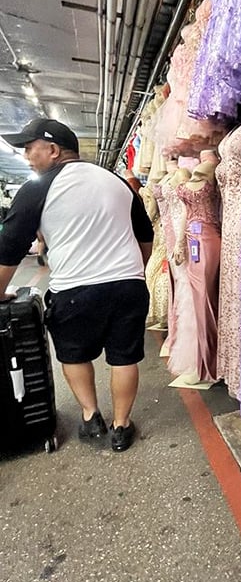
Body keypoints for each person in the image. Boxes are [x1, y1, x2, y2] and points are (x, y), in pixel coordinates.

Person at [0, 118, 154, 451]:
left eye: (30, 148)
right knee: (125, 357)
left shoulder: (37, 189)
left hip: (74, 290)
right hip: (128, 285)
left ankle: (90, 416)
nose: (27, 157)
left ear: (53, 150)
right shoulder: (117, 182)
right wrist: (133, 272)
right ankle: (121, 426)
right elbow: (145, 237)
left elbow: (9, 249)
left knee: (72, 354)